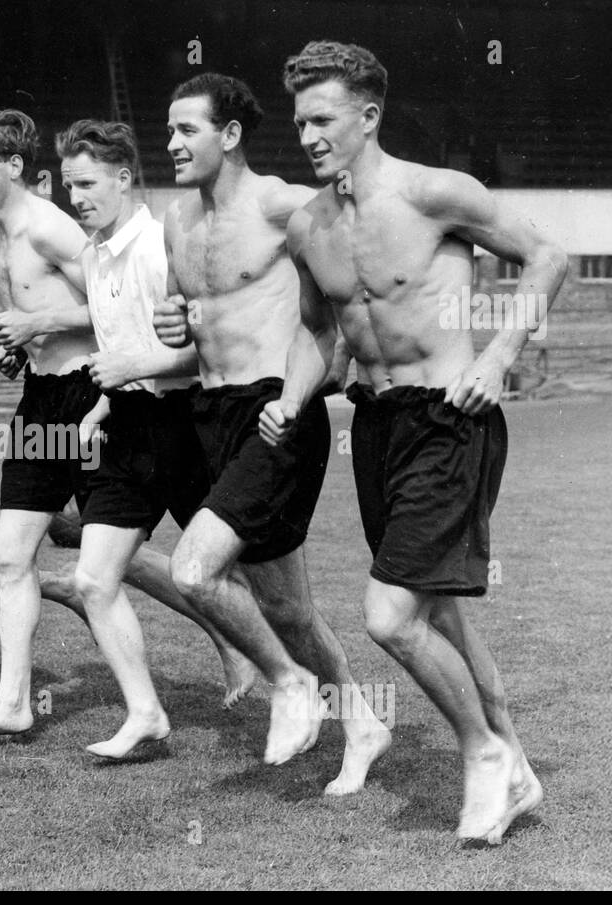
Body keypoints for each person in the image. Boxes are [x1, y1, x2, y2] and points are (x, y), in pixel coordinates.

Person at [262, 41, 564, 839]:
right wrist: (293, 397)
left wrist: (499, 356)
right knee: (438, 615)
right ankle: (518, 765)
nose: (309, 135)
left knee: (391, 617)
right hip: (377, 426)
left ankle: (485, 756)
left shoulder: (433, 193)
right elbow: (318, 332)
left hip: (449, 417)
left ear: (369, 115)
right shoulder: (308, 226)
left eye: (323, 118)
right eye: (299, 121)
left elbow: (548, 256)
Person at [157, 72, 390, 786]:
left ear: (229, 136)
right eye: (168, 130)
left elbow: (352, 291)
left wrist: (337, 367)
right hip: (207, 413)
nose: (171, 144)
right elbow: (187, 322)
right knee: (286, 605)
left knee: (194, 570)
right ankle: (362, 720)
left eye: (186, 130)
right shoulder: (177, 220)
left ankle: (288, 684)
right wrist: (175, 326)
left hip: (276, 412)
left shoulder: (286, 203)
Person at [54, 119, 260, 758]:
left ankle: (290, 681)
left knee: (243, 576)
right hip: (125, 426)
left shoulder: (155, 247)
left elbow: (203, 353)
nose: (77, 197)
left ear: (123, 178)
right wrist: (97, 411)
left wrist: (132, 370)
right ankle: (145, 714)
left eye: (87, 183)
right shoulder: (92, 253)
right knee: (94, 579)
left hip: (184, 425)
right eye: (68, 186)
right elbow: (119, 356)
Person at [0, 101, 108, 744]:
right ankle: (13, 702)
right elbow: (42, 317)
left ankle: (237, 646)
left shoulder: (50, 228)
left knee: (117, 562)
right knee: (11, 552)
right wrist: (21, 344)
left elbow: (120, 309)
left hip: (95, 398)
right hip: (43, 398)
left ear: (14, 164)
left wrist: (38, 324)